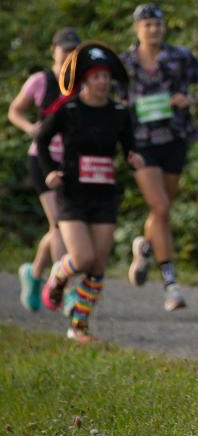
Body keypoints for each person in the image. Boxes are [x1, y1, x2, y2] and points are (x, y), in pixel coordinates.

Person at [36, 42, 145, 341]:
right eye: (95, 76)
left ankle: (78, 326)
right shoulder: (68, 110)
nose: (102, 82)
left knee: (97, 265)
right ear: (84, 80)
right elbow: (42, 141)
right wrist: (49, 172)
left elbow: (130, 146)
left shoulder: (120, 113)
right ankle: (57, 278)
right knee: (81, 257)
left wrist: (134, 158)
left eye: (106, 76)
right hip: (72, 194)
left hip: (104, 194)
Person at [120, 3, 198, 311]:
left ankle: (144, 246)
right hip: (141, 142)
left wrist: (188, 99)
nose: (153, 29)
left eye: (158, 24)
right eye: (147, 25)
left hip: (175, 137)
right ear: (137, 29)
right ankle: (171, 285)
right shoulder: (125, 63)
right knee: (159, 206)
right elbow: (116, 100)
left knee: (163, 210)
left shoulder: (181, 57)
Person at [9, 28, 79, 311]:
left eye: (73, 51)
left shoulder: (81, 82)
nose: (67, 56)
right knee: (60, 224)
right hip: (43, 158)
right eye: (64, 50)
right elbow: (15, 110)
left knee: (60, 225)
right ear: (53, 50)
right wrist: (30, 128)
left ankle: (34, 273)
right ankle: (63, 288)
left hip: (72, 161)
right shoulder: (41, 80)